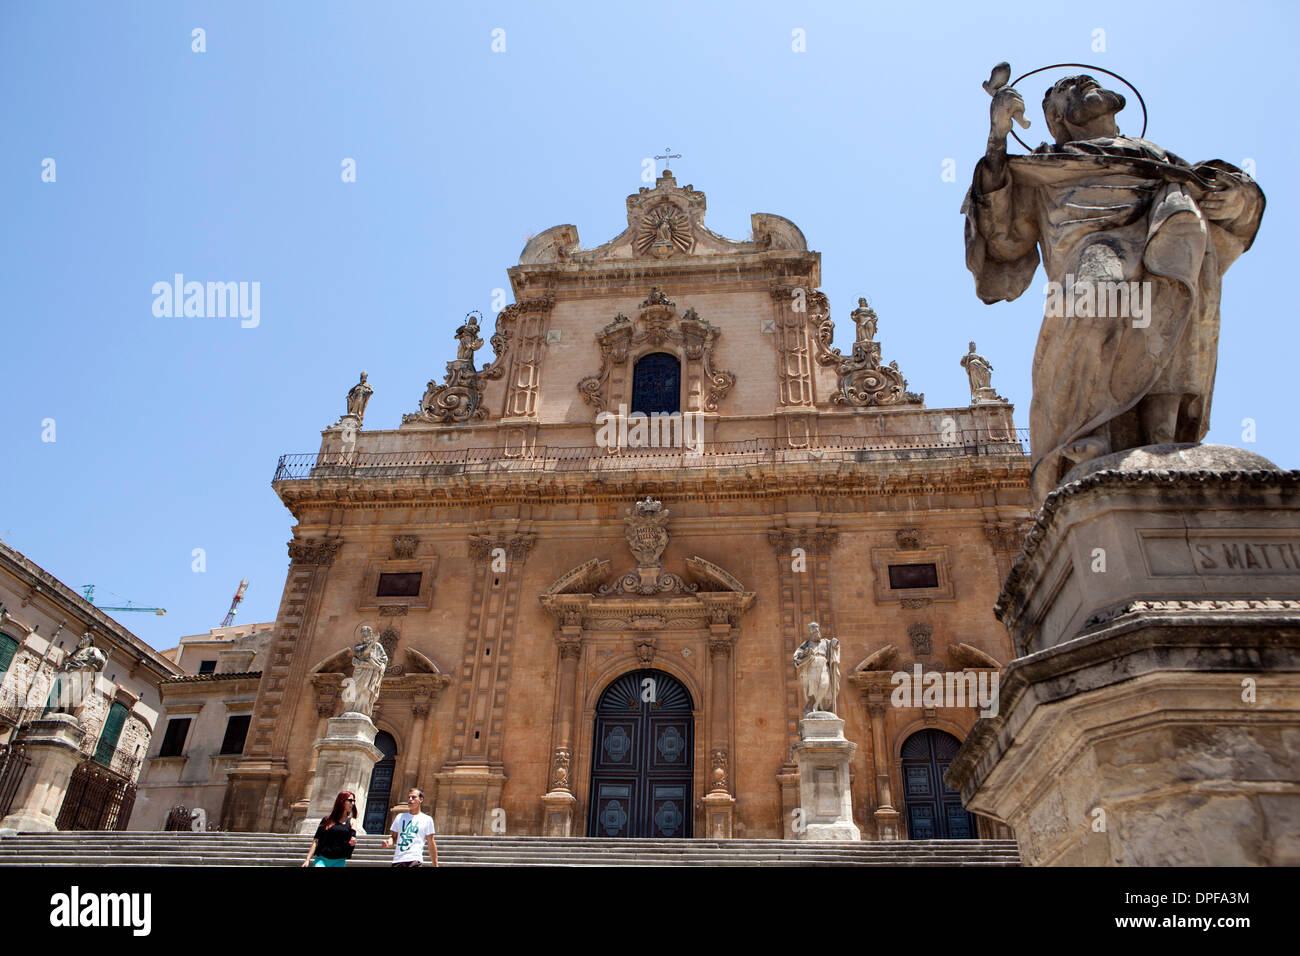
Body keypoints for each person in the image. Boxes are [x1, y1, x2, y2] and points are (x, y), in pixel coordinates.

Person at [383, 788, 437, 867]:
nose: (410, 799)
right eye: (409, 797)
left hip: (414, 860)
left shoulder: (427, 819)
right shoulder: (400, 817)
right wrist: (388, 842)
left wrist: (435, 864)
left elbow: (431, 843)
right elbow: (394, 837)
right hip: (398, 860)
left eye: (413, 797)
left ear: (421, 800)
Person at [302, 791, 358, 868]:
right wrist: (307, 859)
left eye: (354, 801)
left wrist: (353, 841)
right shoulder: (326, 820)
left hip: (339, 861)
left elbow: (353, 837)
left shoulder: (352, 822)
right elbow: (316, 840)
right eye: (350, 800)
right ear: (341, 801)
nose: (353, 803)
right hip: (322, 859)